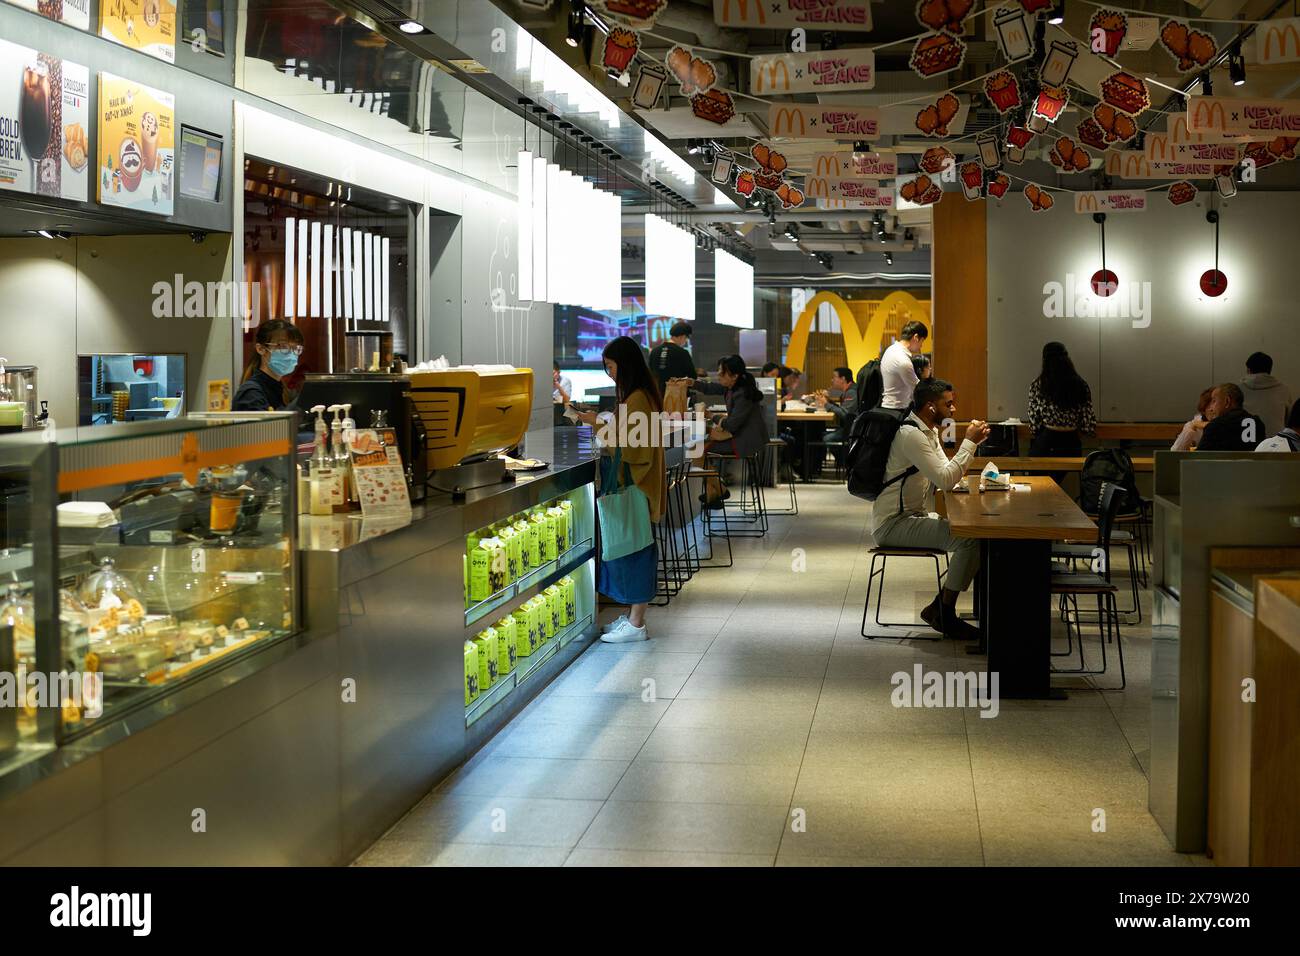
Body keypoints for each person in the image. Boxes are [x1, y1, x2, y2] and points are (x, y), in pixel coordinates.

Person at [871, 378, 989, 640]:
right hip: (893, 524)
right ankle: (944, 611)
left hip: (912, 517)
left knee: (973, 533)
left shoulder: (928, 432)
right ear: (930, 407)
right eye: (948, 404)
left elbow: (946, 474)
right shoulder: (910, 435)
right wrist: (969, 443)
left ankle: (939, 608)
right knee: (969, 538)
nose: (954, 409)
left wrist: (973, 446)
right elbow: (945, 479)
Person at [570, 336, 665, 644]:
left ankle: (637, 624)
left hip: (635, 486)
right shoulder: (641, 394)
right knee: (634, 547)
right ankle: (634, 618)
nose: (609, 372)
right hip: (638, 485)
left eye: (610, 365)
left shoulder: (637, 398)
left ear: (624, 364)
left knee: (634, 549)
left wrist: (595, 423)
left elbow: (632, 449)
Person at [695, 355, 768, 507]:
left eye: (722, 373)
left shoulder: (742, 394)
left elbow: (732, 425)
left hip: (744, 440)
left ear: (734, 376)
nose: (718, 376)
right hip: (741, 436)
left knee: (697, 450)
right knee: (698, 449)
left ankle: (719, 490)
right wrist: (691, 383)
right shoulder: (734, 387)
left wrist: (711, 416)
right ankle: (713, 493)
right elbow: (711, 387)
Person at [1026, 342, 1097, 457]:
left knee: (1034, 464)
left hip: (1047, 442)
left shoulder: (1039, 384)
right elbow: (1088, 421)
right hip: (1072, 443)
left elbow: (1034, 422)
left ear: (1045, 360)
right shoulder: (1080, 384)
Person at [233, 319, 305, 412]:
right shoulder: (251, 394)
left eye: (296, 348)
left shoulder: (282, 391)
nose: (291, 354)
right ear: (261, 349)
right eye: (283, 346)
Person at [1197, 383, 1267, 451]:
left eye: (1214, 401)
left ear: (1227, 401)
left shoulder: (1215, 426)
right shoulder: (1257, 423)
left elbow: (1198, 460)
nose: (1212, 408)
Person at [1240, 351, 1293, 439]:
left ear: (1248, 370)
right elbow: (1289, 421)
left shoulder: (1237, 390)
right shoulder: (1284, 389)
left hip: (1246, 442)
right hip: (1276, 444)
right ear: (1270, 370)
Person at [880, 320, 928, 410]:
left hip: (887, 407)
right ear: (916, 337)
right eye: (922, 341)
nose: (921, 345)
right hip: (898, 410)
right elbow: (917, 390)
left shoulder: (891, 350)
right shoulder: (902, 359)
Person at [816, 367, 858, 462]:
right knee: (819, 434)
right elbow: (843, 410)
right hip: (848, 427)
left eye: (834, 377)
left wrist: (826, 404)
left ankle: (844, 461)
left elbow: (845, 415)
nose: (832, 380)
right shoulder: (849, 391)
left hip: (851, 430)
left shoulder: (852, 392)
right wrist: (829, 401)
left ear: (843, 379)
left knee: (826, 438)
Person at [648, 321, 698, 391]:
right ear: (683, 336)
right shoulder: (682, 353)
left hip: (657, 395)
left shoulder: (654, 351)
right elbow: (692, 376)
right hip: (676, 396)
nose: (685, 341)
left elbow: (650, 373)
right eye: (686, 338)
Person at [1171, 387, 1215, 451]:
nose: (1213, 411)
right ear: (1204, 409)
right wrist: (1192, 426)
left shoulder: (1229, 424)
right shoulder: (1195, 424)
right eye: (1210, 409)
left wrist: (1210, 425)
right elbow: (1176, 451)